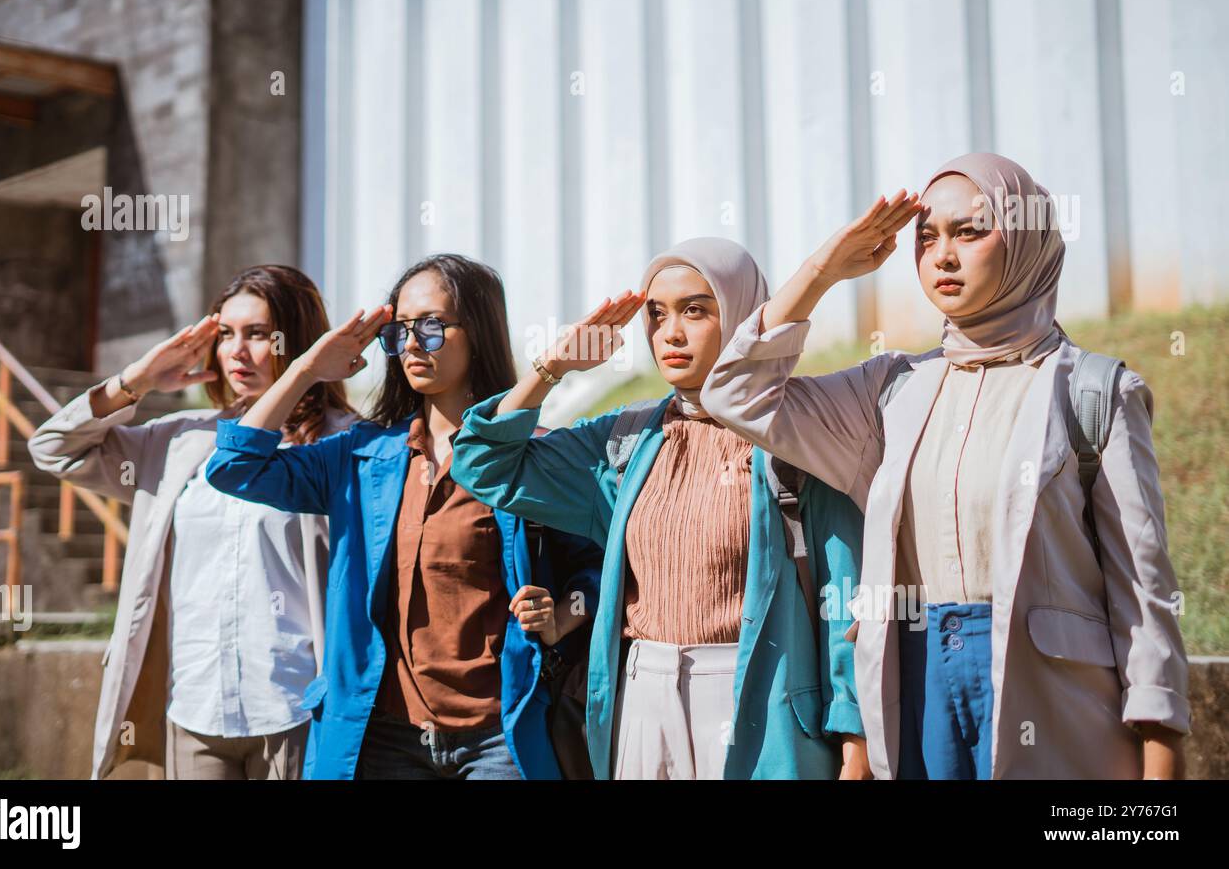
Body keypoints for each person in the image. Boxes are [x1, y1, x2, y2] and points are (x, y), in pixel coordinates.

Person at [699, 155, 1189, 778]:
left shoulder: (1095, 392)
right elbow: (734, 393)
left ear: (1025, 240)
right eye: (926, 238)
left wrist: (1161, 763)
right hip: (917, 682)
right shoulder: (891, 389)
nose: (942, 256)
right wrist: (824, 270)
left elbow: (1143, 594)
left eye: (970, 232)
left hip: (1056, 703)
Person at [451, 237, 876, 779]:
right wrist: (553, 368)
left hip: (763, 700)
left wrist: (856, 744)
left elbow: (844, 597)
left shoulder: (794, 432)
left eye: (695, 310)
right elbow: (484, 465)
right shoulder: (625, 441)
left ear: (745, 315)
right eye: (656, 315)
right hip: (642, 698)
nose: (669, 333)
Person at [205, 254, 599, 779]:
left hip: (500, 740)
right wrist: (304, 369)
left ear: (477, 332)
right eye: (401, 330)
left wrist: (563, 614)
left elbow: (605, 565)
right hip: (382, 736)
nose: (412, 344)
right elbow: (234, 466)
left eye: (433, 327)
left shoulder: (533, 457)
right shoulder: (360, 457)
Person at [29, 265, 355, 779]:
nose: (237, 352)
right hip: (195, 710)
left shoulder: (346, 443)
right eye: (226, 334)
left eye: (257, 335)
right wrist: (135, 381)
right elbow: (52, 449)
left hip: (298, 710)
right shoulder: (178, 440)